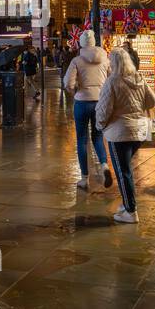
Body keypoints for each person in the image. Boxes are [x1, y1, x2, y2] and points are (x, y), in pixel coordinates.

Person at [95, 47, 155, 224]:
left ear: (113, 63)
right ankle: (127, 204)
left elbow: (103, 110)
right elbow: (152, 101)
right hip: (138, 131)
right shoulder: (138, 78)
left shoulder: (112, 81)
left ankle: (131, 211)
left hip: (120, 133)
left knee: (123, 173)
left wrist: (100, 126)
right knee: (127, 169)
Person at [62, 30, 112, 191]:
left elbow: (68, 83)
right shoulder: (105, 59)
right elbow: (111, 79)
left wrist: (74, 92)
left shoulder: (77, 61)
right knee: (98, 137)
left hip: (82, 101)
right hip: (100, 101)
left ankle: (84, 178)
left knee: (82, 140)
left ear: (81, 44)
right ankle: (104, 165)